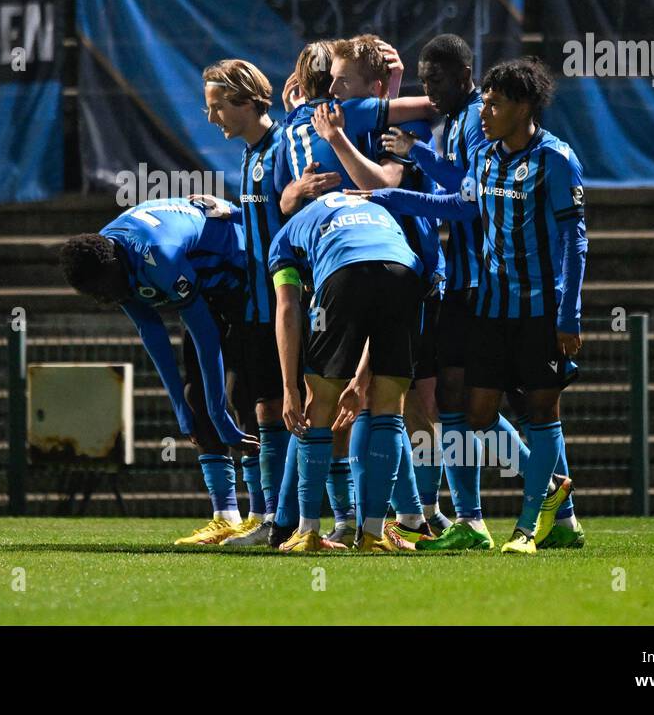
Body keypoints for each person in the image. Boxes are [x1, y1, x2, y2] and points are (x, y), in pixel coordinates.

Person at [357, 58, 588, 554]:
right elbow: (460, 207)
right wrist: (392, 197)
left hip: (541, 311)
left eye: (496, 102)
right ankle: (551, 496)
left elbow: (574, 242)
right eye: (483, 100)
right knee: (475, 415)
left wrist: (568, 315)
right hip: (490, 307)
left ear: (523, 107)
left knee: (541, 411)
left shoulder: (556, 160)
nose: (485, 110)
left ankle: (529, 529)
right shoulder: (485, 158)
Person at [58, 198, 259, 545]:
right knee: (194, 397)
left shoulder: (157, 255)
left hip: (239, 273)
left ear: (114, 266)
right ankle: (225, 515)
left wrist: (218, 412)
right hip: (202, 287)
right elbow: (151, 331)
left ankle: (261, 514)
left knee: (241, 393)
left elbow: (206, 333)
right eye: (98, 296)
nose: (108, 298)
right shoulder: (106, 258)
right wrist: (182, 410)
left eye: (107, 290)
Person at [268, 192, 424, 554]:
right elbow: (378, 290)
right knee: (389, 407)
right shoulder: (375, 211)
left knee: (318, 402)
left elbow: (288, 310)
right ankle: (372, 534)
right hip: (404, 274)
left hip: (343, 275)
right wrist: (361, 379)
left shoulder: (285, 237)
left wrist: (290, 388)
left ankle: (307, 532)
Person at [199, 60, 289, 547]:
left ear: (248, 102)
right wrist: (230, 210)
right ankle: (267, 517)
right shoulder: (251, 156)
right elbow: (265, 213)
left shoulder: (282, 151)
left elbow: (294, 214)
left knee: (296, 409)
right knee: (259, 407)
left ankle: (340, 519)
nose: (212, 117)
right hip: (255, 306)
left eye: (217, 107)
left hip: (287, 304)